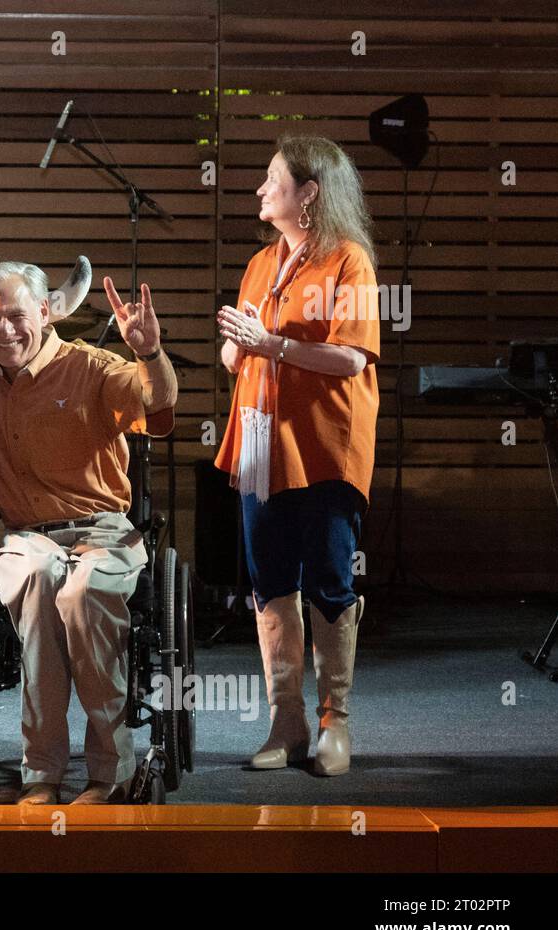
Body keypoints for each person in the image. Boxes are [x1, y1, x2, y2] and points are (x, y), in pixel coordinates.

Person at [0, 262, 178, 805]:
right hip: (24, 536)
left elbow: (156, 404)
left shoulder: (91, 367)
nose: (4, 330)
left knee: (84, 592)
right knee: (38, 580)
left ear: (45, 311)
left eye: (17, 315)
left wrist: (150, 354)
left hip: (102, 531)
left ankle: (111, 774)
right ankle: (42, 774)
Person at [214, 133, 379, 777]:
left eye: (272, 180)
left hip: (325, 447)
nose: (260, 189)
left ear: (308, 194)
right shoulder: (260, 262)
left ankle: (337, 723)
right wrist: (238, 348)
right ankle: (287, 722)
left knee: (331, 582)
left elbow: (350, 358)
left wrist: (270, 344)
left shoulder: (350, 262)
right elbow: (242, 353)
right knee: (269, 582)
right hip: (262, 446)